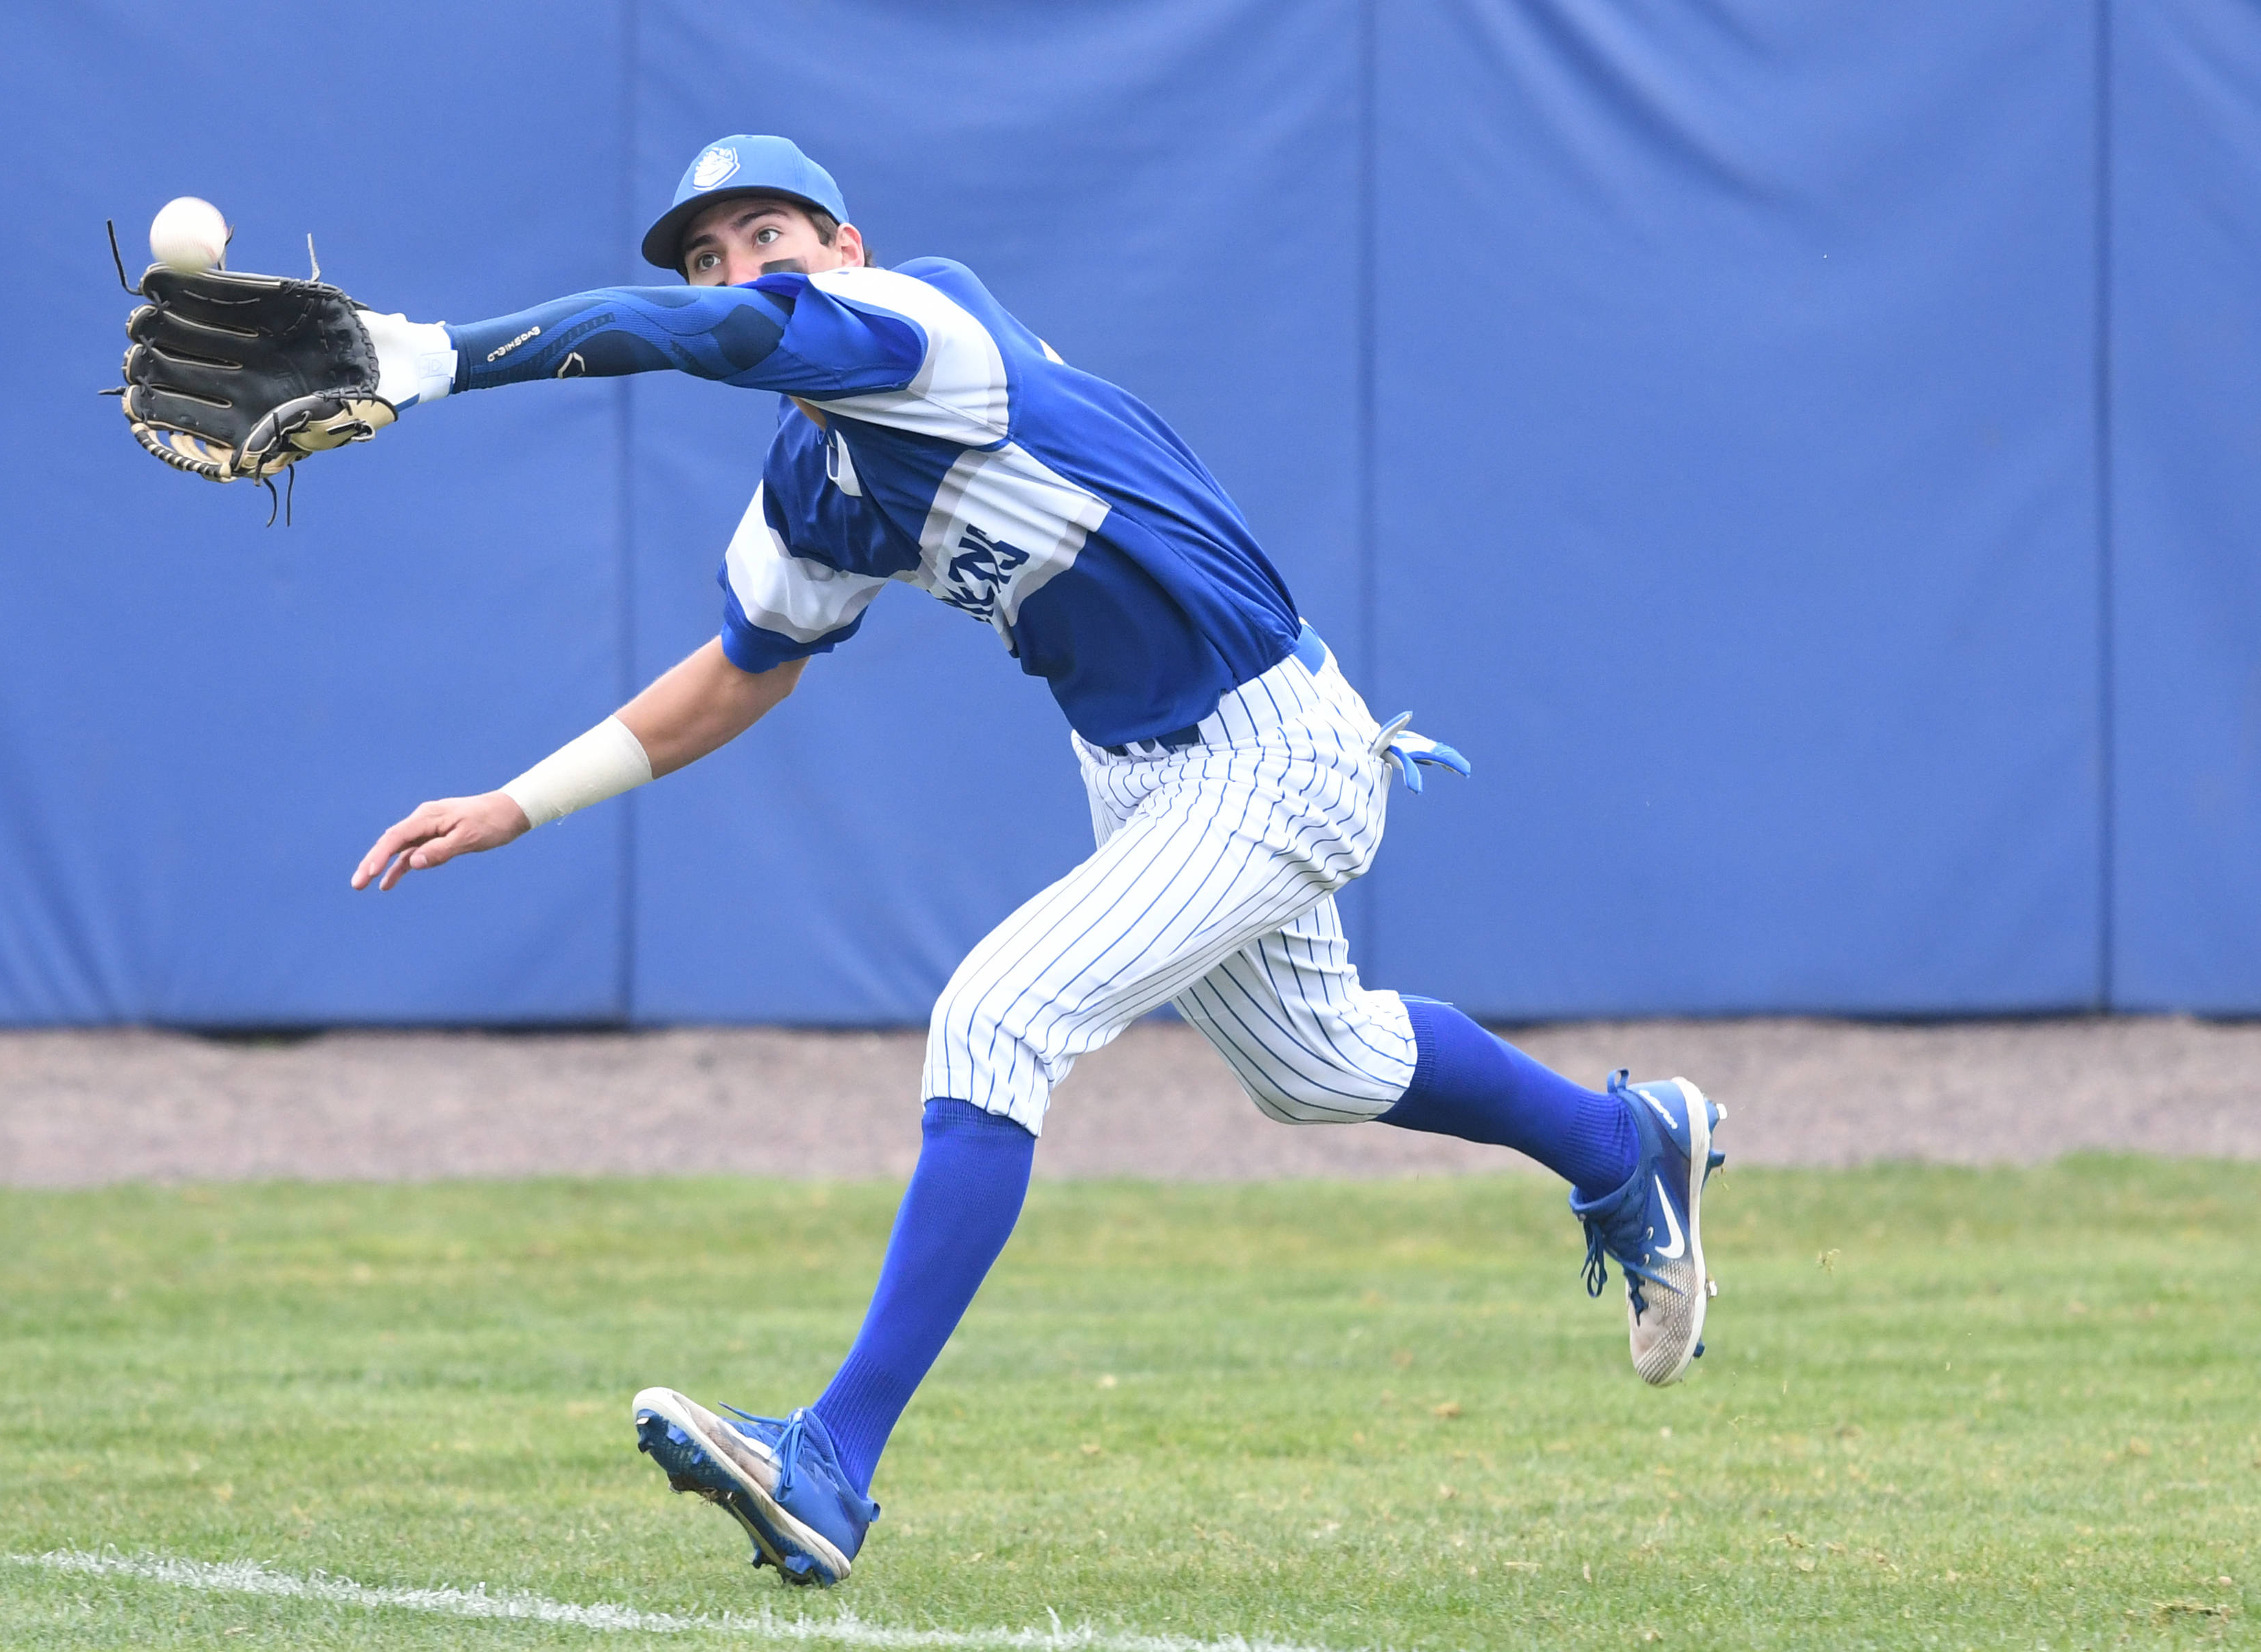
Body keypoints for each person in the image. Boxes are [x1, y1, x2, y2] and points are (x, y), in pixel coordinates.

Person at [347, 135, 1725, 1587]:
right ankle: (1622, 1146)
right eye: (707, 251)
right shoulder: (815, 482)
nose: (738, 268)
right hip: (1142, 772)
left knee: (997, 1017)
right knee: (1312, 1066)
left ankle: (832, 1460)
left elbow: (722, 336)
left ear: (846, 245)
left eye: (770, 233)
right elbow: (748, 670)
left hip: (1277, 745)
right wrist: (518, 800)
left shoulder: (922, 327)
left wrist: (436, 353)